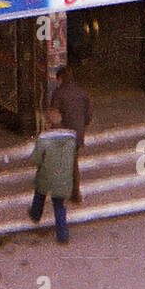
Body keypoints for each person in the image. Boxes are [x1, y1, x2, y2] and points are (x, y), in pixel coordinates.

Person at [28, 107, 77, 244]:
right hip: (64, 179)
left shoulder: (43, 140)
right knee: (59, 205)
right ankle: (63, 236)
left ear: (48, 124)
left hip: (47, 176)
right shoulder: (71, 139)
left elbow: (36, 159)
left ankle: (35, 215)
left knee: (40, 193)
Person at [51, 65, 91, 202]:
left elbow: (54, 115)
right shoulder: (82, 92)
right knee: (73, 161)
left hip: (65, 132)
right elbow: (88, 116)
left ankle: (71, 193)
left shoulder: (58, 93)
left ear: (60, 79)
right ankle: (74, 192)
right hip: (78, 133)